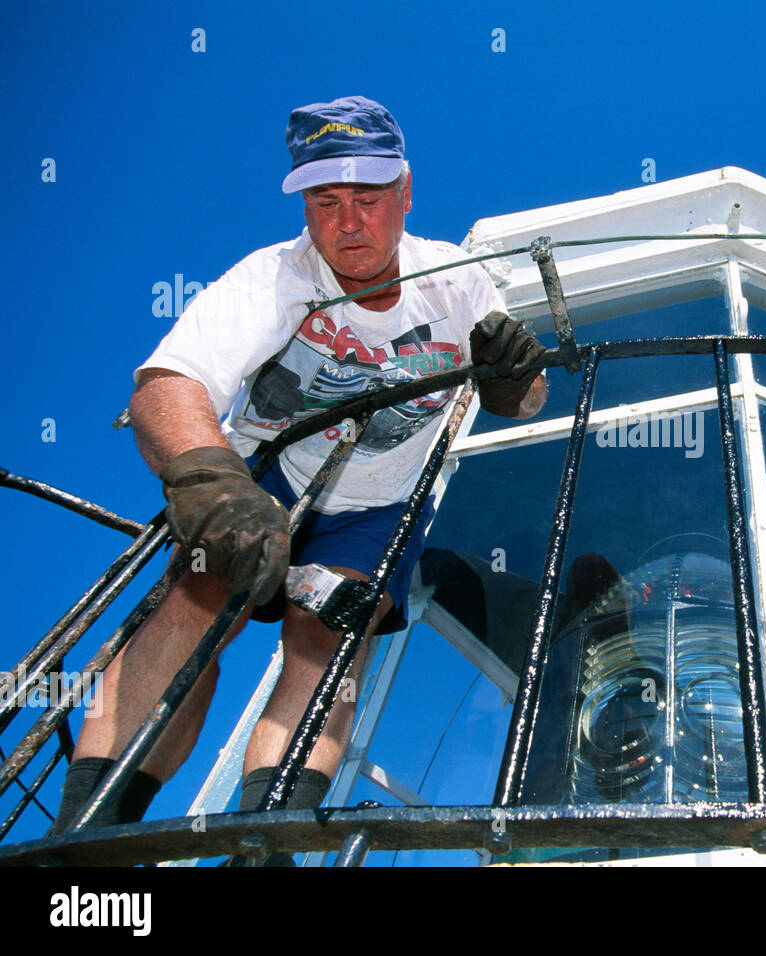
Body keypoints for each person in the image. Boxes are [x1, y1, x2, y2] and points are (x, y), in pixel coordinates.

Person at [49, 96, 547, 852]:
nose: (348, 223)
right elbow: (166, 387)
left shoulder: (459, 280)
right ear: (305, 203)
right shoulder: (271, 277)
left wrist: (514, 379)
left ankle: (264, 842)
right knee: (192, 597)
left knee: (328, 639)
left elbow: (527, 394)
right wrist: (211, 485)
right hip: (268, 477)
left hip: (377, 509)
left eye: (369, 198)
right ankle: (87, 838)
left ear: (406, 193)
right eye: (326, 200)